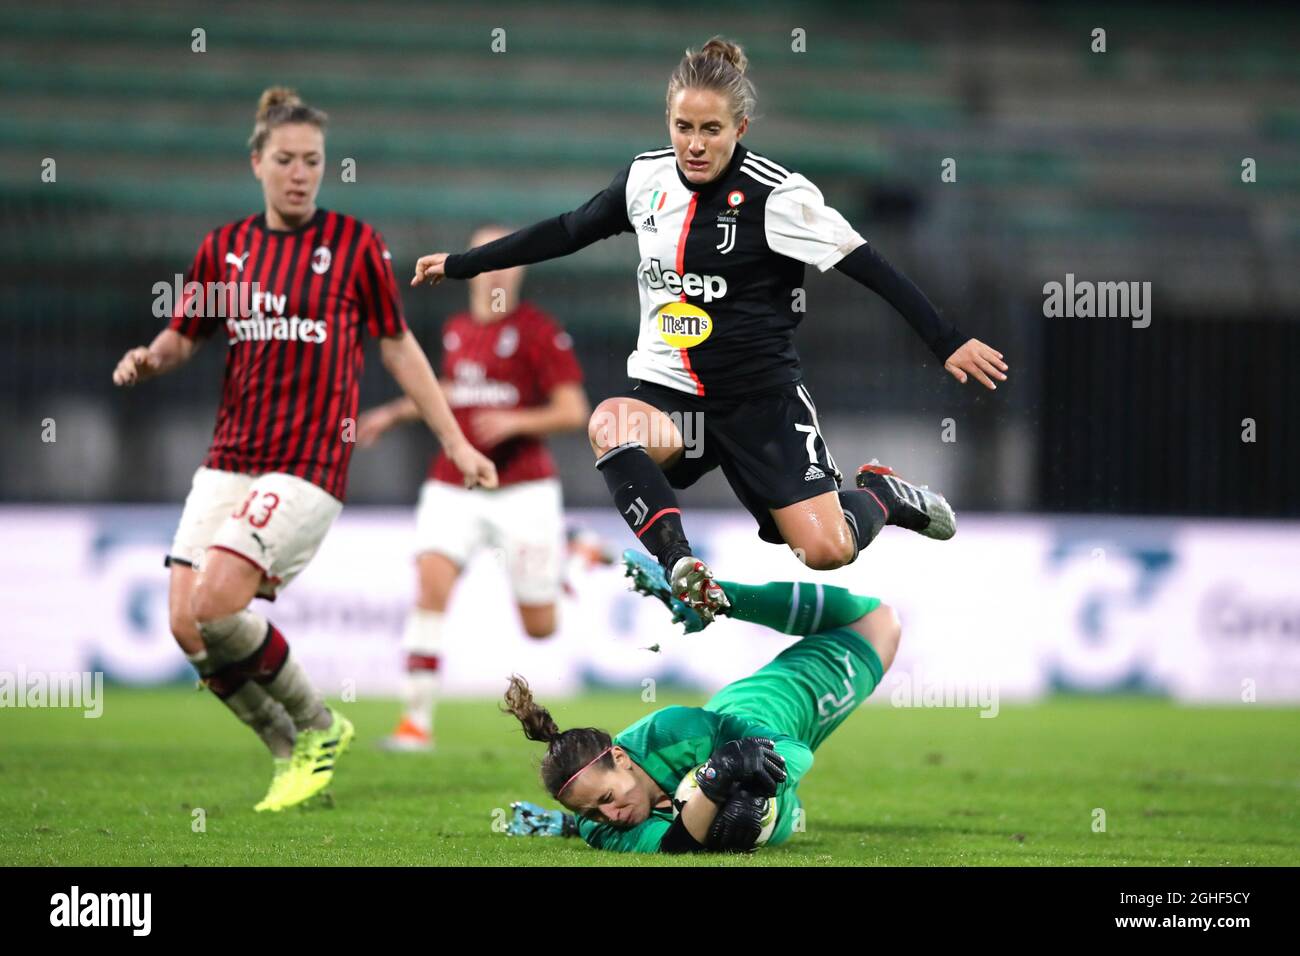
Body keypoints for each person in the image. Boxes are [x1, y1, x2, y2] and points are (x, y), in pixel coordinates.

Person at [410, 37, 1009, 623]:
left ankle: (883, 494)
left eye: (711, 130)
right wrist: (465, 263)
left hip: (760, 399)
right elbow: (567, 230)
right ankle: (680, 564)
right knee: (610, 424)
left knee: (825, 552)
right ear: (667, 121)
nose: (694, 145)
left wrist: (946, 339)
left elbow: (869, 265)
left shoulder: (779, 196)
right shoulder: (645, 181)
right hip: (674, 394)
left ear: (740, 129)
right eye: (683, 127)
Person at [111, 87, 496, 810]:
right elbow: (184, 335)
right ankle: (284, 747)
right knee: (184, 622)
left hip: (310, 461)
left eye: (312, 161)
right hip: (230, 454)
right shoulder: (223, 249)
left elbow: (400, 347)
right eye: (285, 159)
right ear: (256, 162)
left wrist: (457, 440)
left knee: (219, 603)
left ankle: (319, 724)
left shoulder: (354, 246)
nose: (300, 174)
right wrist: (149, 358)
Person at [357, 226, 590, 751]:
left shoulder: (537, 330)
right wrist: (393, 414)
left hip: (523, 490)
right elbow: (445, 392)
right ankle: (415, 723)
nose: (500, 269)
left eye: (509, 260)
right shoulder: (457, 329)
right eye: (489, 258)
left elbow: (574, 410)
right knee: (430, 587)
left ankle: (560, 560)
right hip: (454, 483)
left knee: (540, 627)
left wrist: (514, 422)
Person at [501, 551, 899, 853]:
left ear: (621, 758)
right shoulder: (599, 829)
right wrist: (716, 782)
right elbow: (676, 848)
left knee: (879, 622)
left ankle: (720, 598)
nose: (610, 817)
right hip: (727, 718)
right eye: (589, 813)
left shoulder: (670, 730)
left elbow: (797, 754)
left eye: (606, 799)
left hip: (778, 703)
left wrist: (738, 771)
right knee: (766, 818)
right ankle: (712, 599)